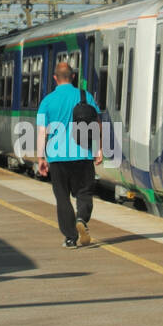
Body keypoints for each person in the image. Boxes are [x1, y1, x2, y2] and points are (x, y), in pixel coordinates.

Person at [35, 61, 103, 248]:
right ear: (73, 76)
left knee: (62, 197)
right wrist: (98, 149)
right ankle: (81, 218)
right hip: (83, 154)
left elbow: (42, 131)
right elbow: (96, 122)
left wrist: (41, 158)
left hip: (57, 157)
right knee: (84, 193)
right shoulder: (85, 95)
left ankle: (70, 238)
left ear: (55, 78)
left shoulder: (47, 101)